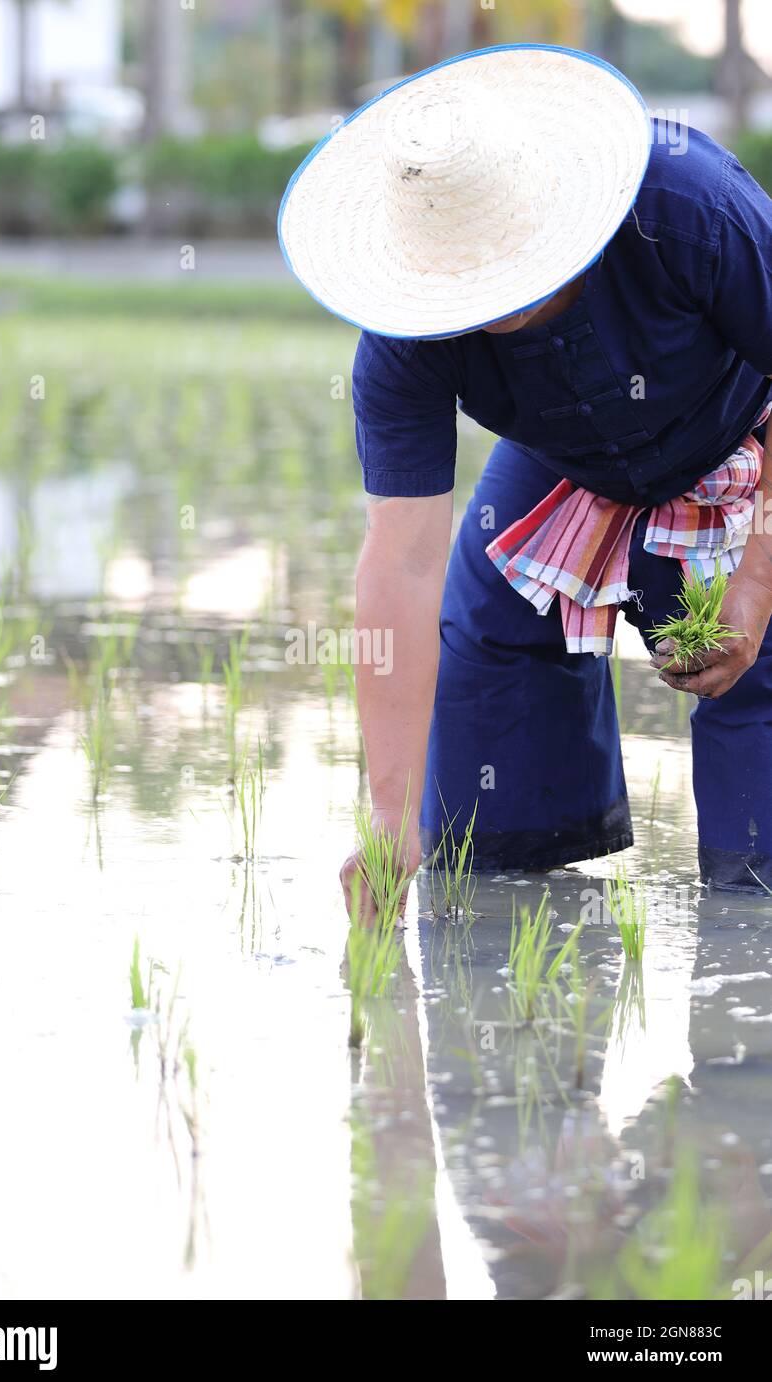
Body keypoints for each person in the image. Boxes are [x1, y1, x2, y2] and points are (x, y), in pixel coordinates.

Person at [278, 44, 772, 908]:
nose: (501, 308)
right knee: (482, 793)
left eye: (517, 275)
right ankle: (523, 974)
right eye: (468, 292)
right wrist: (390, 817)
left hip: (740, 442)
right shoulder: (404, 335)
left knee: (754, 818)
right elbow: (400, 561)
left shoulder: (690, 202)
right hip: (564, 465)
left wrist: (758, 580)